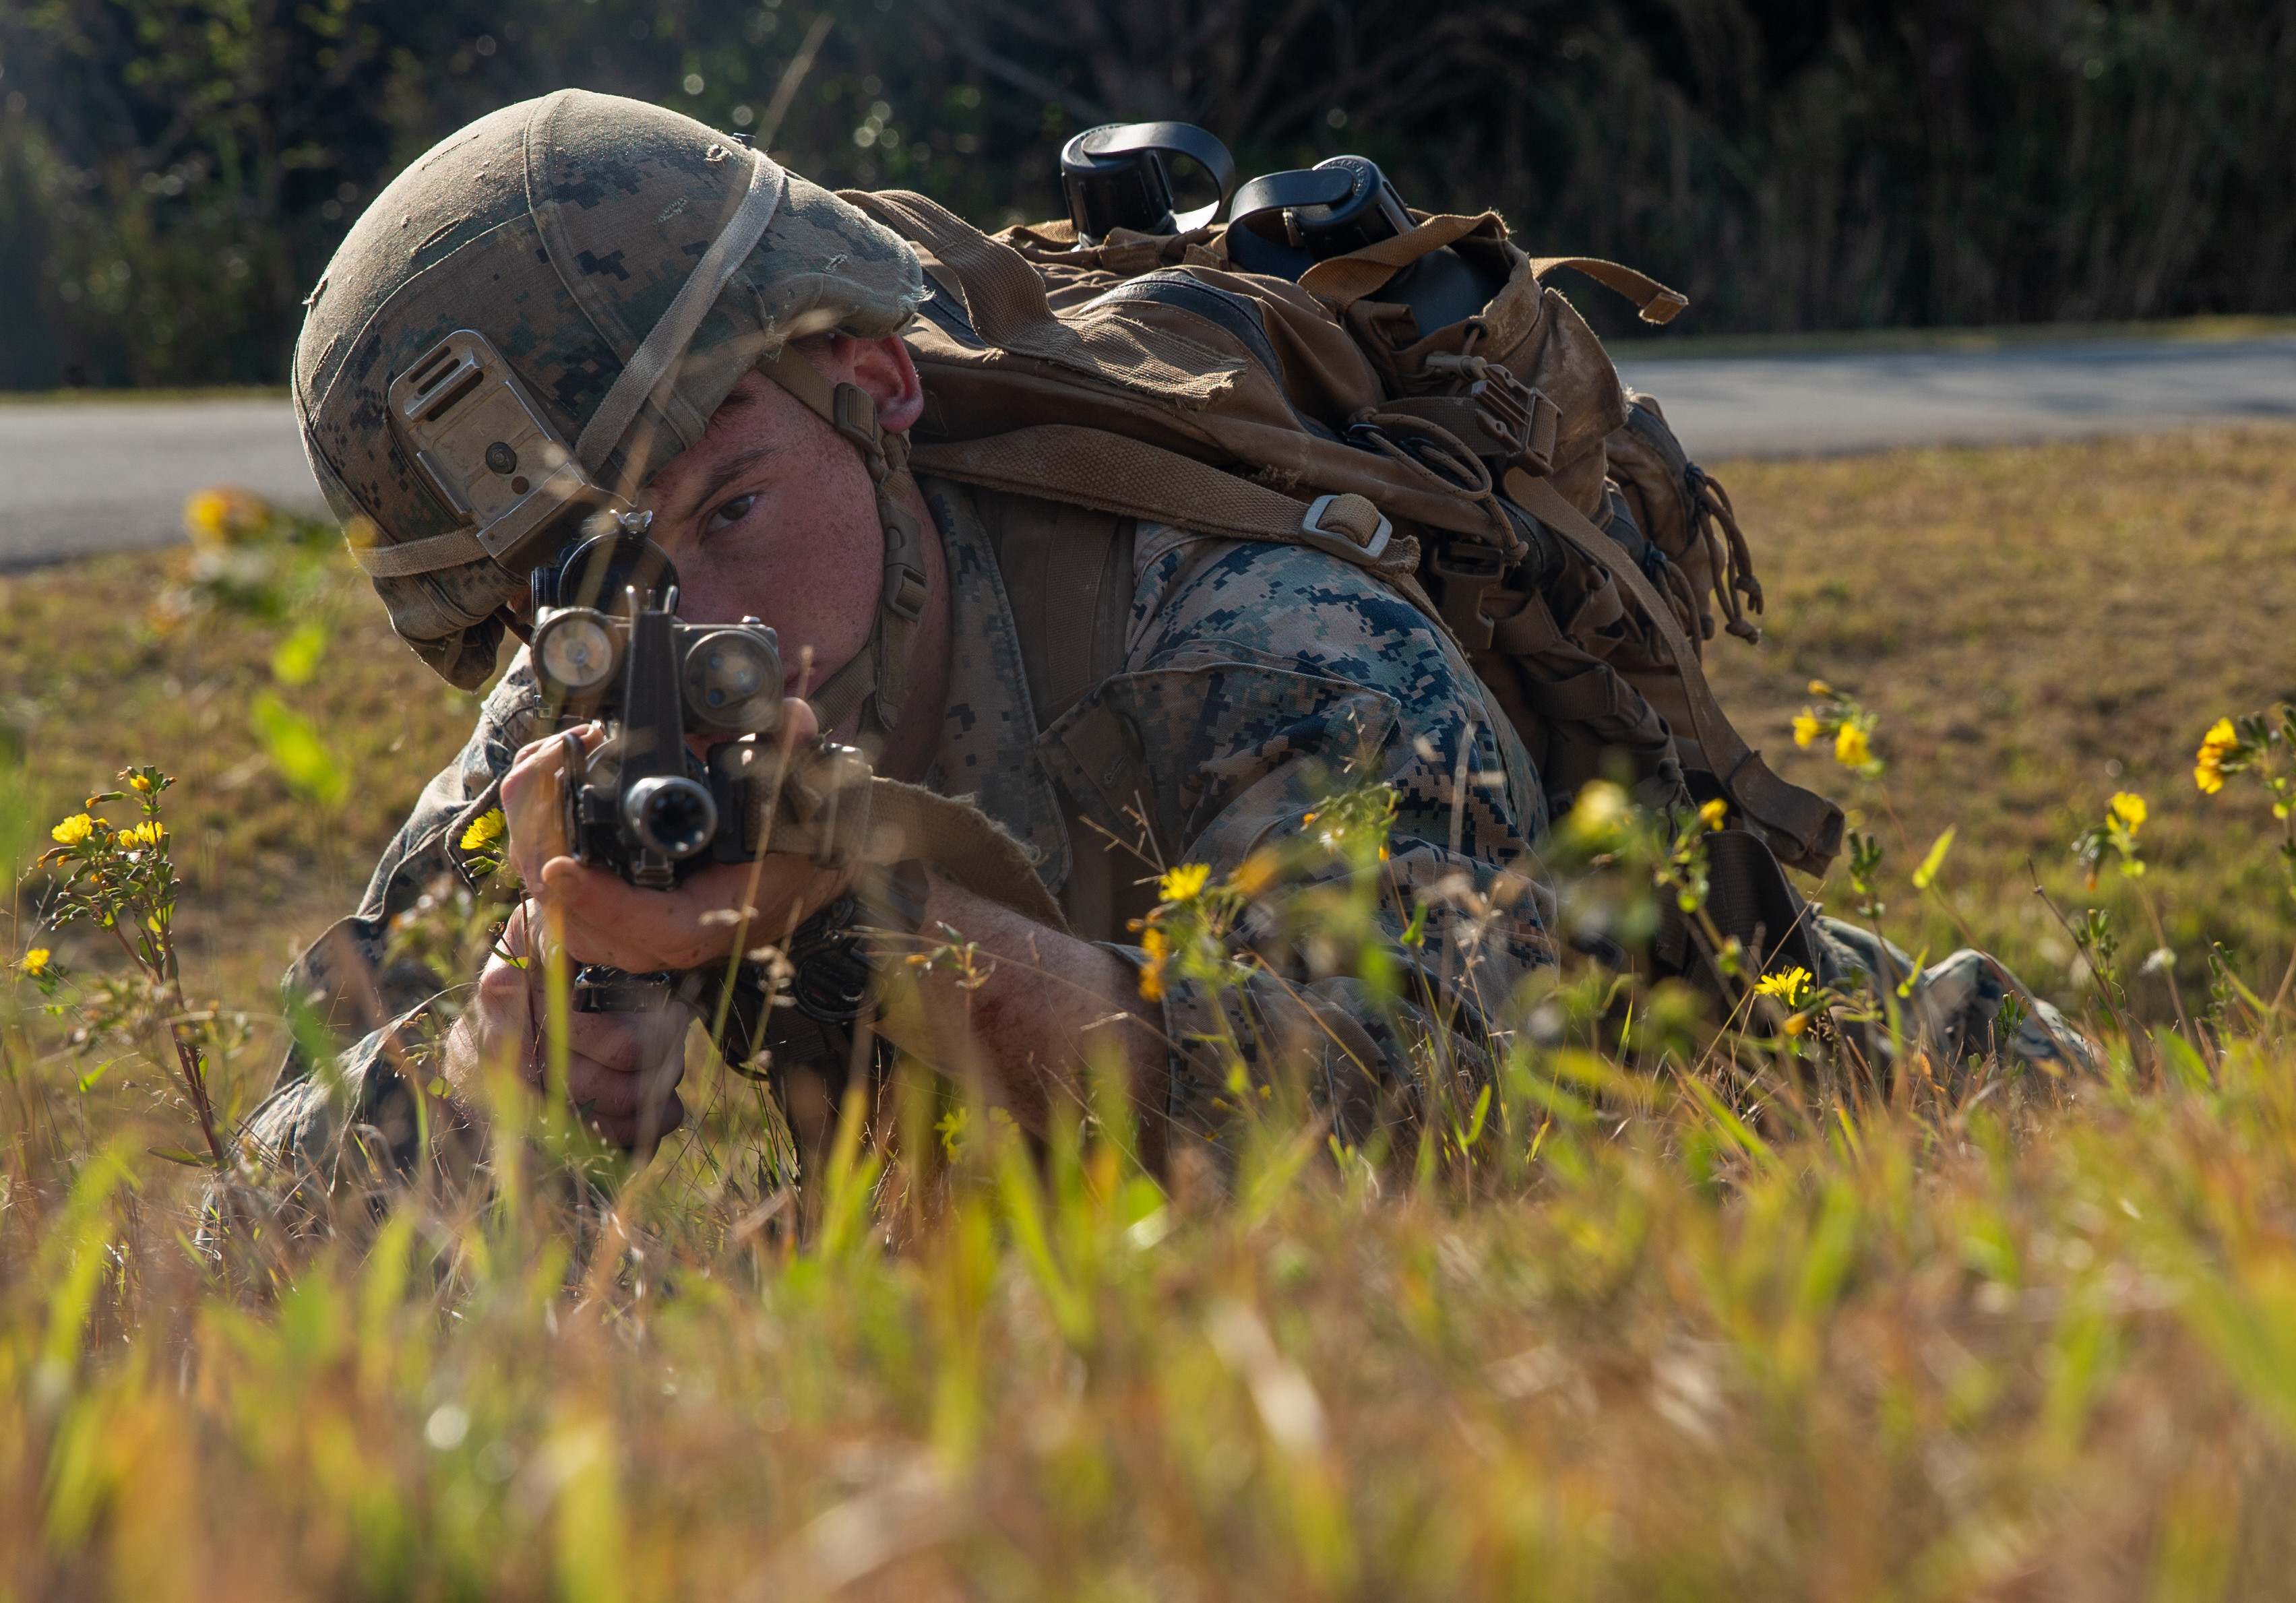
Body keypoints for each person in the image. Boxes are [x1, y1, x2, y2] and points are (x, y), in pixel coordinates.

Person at [240, 90, 2076, 1193]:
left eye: (727, 511)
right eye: (589, 594)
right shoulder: (580, 741)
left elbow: (1426, 1118)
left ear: (874, 384)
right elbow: (238, 1273)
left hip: (1776, 1100)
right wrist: (486, 1095)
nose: (688, 631)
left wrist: (897, 933)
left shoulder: (1244, 630)